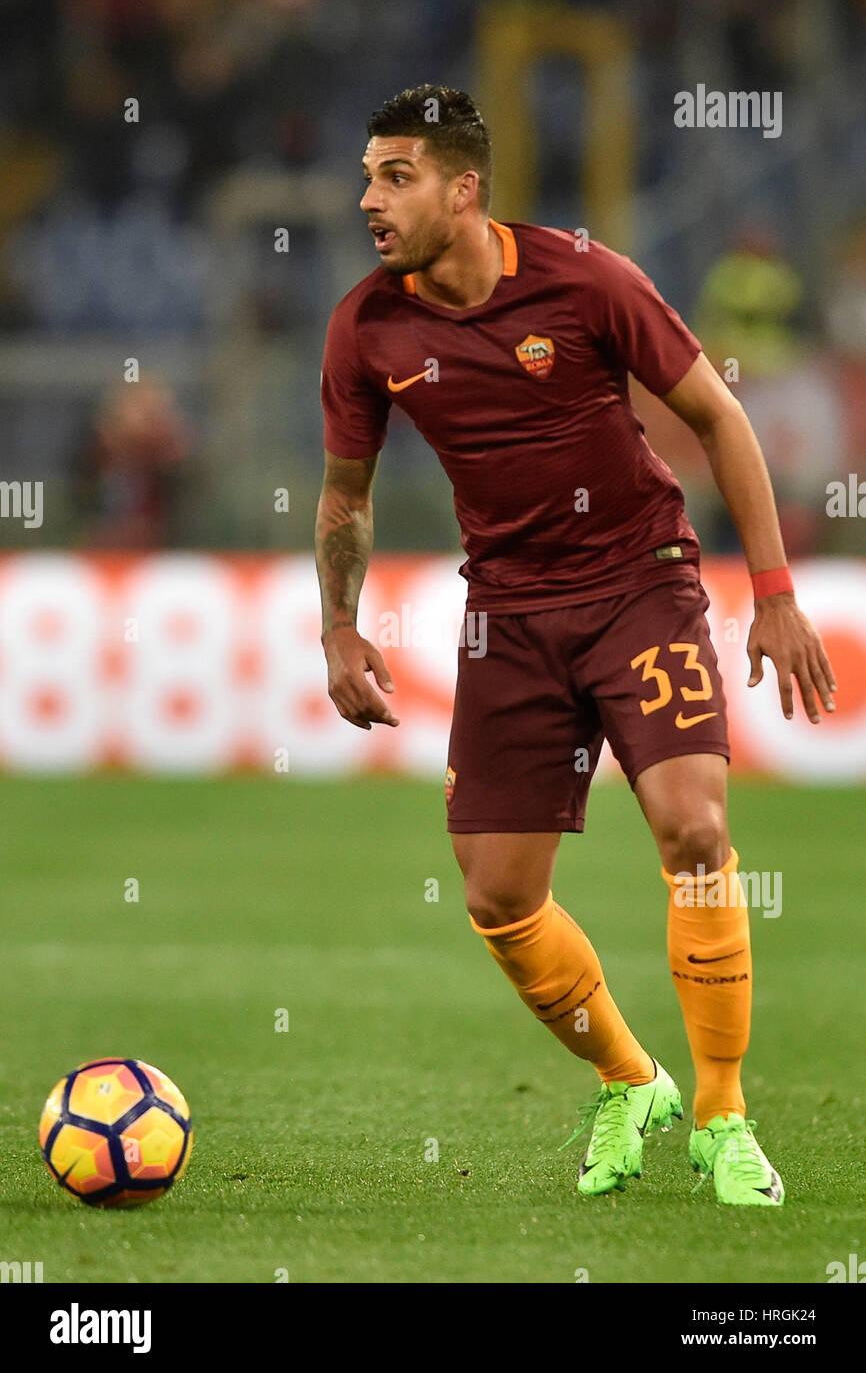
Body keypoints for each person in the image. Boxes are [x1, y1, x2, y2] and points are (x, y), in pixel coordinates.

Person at [315, 86, 836, 1205]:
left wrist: (776, 591)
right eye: (365, 175)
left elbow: (718, 417)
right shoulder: (367, 327)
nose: (367, 199)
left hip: (638, 582)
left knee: (692, 827)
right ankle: (627, 1076)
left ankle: (720, 1111)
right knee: (498, 897)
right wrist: (337, 626)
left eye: (393, 176)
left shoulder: (586, 278)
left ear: (463, 189)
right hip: (507, 610)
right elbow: (344, 497)